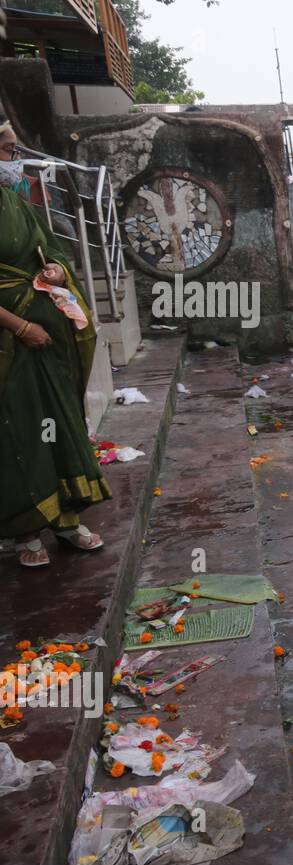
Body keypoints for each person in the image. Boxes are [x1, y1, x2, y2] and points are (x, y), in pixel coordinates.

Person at [1, 118, 109, 569]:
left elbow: (51, 251)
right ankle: (25, 531)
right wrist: (20, 327)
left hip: (48, 339)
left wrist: (59, 273)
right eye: (8, 150)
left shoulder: (13, 200)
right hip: (10, 346)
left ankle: (66, 519)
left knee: (58, 422)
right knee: (18, 432)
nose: (15, 159)